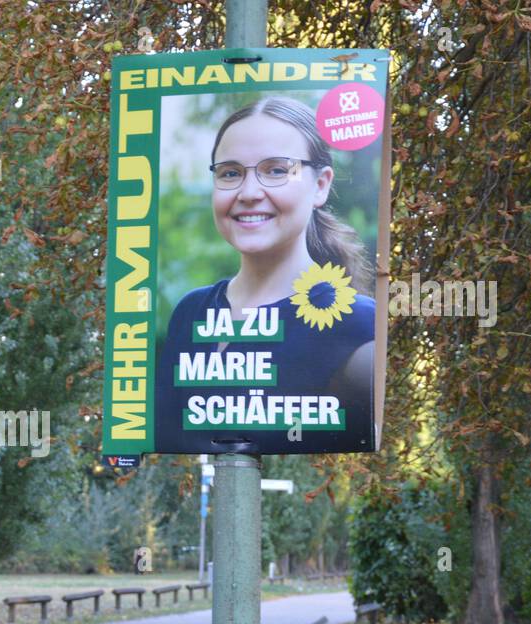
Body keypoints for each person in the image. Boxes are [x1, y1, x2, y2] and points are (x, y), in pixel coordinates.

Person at [154, 96, 377, 455]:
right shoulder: (191, 311)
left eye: (276, 170)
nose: (249, 193)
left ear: (320, 185)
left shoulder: (359, 324)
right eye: (230, 173)